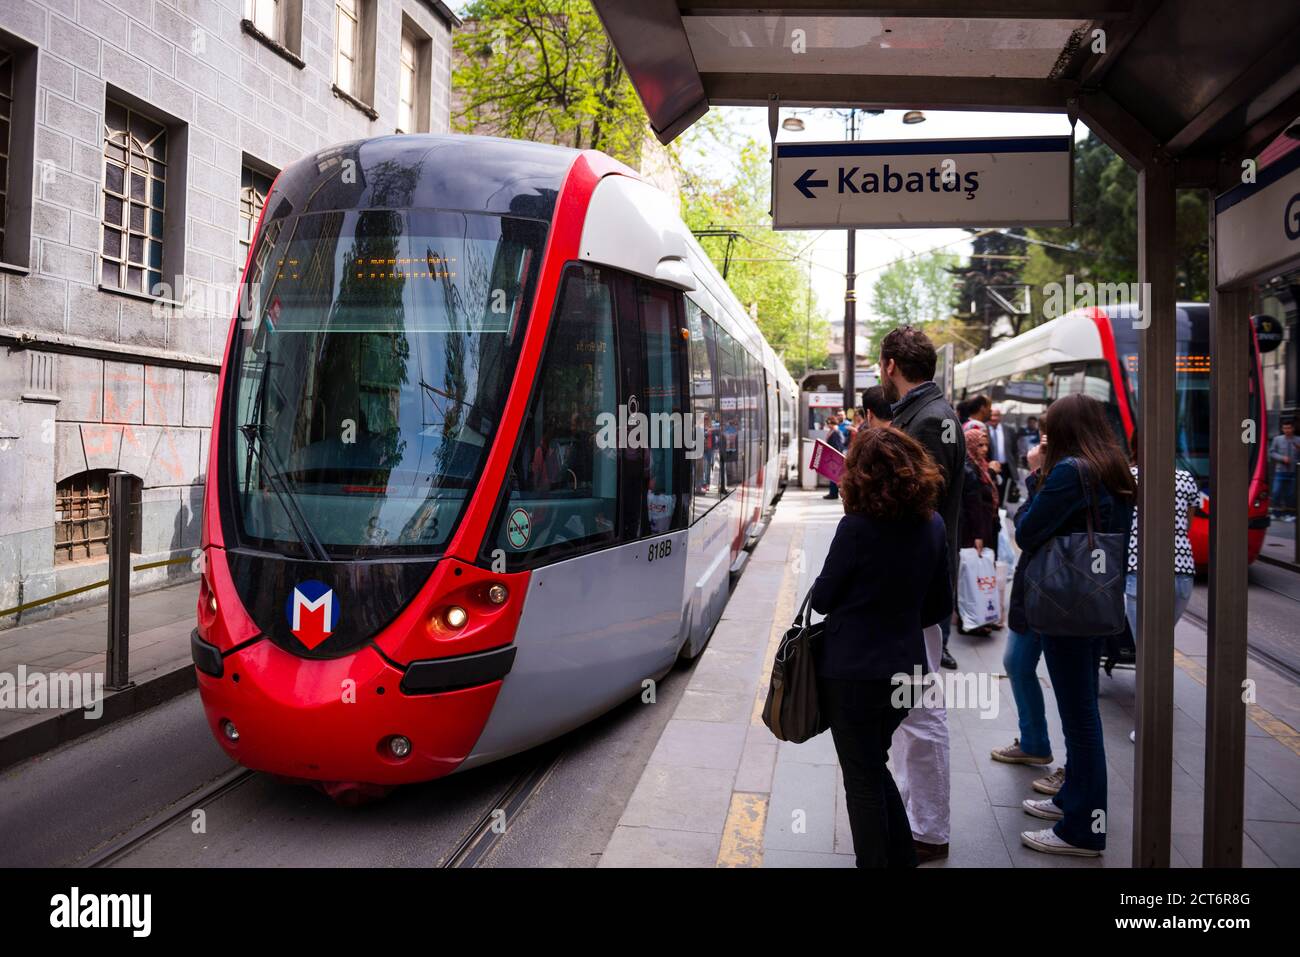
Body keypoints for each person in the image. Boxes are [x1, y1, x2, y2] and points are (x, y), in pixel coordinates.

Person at [810, 427, 952, 868]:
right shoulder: (933, 524)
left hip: (853, 675)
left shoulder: (854, 529)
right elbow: (939, 605)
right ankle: (903, 859)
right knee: (874, 763)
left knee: (863, 778)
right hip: (907, 671)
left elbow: (822, 599)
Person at [1012, 393, 1135, 857]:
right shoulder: (1113, 467)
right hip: (1096, 602)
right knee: (1081, 709)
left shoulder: (1069, 472)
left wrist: (1038, 472)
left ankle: (1082, 830)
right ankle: (1071, 800)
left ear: (1061, 432)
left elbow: (1026, 530)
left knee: (1080, 716)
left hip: (1066, 607)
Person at [878, 326, 964, 862]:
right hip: (920, 586)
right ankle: (917, 815)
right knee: (913, 705)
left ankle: (929, 830)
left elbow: (918, 511)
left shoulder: (928, 421)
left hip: (917, 589)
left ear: (891, 365)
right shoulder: (933, 413)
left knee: (921, 708)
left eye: (878, 366)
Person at [1122, 428, 1198, 743]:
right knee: (1161, 648)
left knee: (1147, 653)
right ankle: (1159, 716)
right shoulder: (1186, 479)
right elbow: (1188, 523)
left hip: (1140, 572)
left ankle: (1152, 726)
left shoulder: (1127, 477)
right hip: (1181, 573)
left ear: (1134, 446)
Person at [958, 421, 1000, 637]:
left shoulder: (981, 466)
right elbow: (973, 505)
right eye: (980, 445)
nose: (985, 449)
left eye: (986, 445)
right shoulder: (970, 468)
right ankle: (972, 619)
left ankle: (985, 614)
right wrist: (977, 536)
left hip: (987, 527)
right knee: (973, 578)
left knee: (983, 577)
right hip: (976, 531)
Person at [986, 406, 1018, 503]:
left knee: (1003, 493)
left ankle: (1000, 510)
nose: (993, 418)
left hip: (1005, 468)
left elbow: (1014, 450)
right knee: (990, 492)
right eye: (991, 415)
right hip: (989, 467)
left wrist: (1014, 466)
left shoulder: (1009, 430)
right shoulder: (984, 428)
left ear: (1000, 417)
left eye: (996, 415)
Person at [1270, 418, 1299, 522]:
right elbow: (1272, 452)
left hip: (1294, 471)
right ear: (1282, 429)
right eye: (1285, 428)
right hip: (1280, 470)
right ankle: (1276, 513)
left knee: (1290, 494)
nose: (1287, 430)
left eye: (1289, 428)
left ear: (1293, 428)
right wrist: (1282, 458)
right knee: (1276, 491)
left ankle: (1289, 514)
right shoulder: (1277, 439)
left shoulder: (1298, 440)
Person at [824, 413, 847, 499]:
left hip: (835, 457)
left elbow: (838, 446)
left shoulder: (836, 433)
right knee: (833, 475)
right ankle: (832, 492)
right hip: (832, 457)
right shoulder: (833, 432)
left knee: (834, 476)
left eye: (828, 423)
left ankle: (833, 493)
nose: (827, 425)